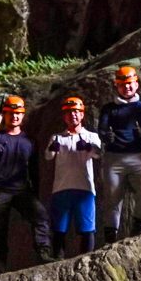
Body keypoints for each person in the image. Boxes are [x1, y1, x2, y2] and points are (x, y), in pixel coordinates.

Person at [0, 95, 46, 270]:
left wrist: (35, 192)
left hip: (22, 189)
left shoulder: (28, 141)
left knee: (41, 216)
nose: (14, 116)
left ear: (22, 116)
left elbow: (34, 169)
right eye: (10, 113)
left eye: (18, 114)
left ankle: (43, 252)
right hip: (0, 190)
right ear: (5, 115)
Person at [39, 94, 106, 257]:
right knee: (59, 229)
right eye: (69, 112)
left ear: (82, 114)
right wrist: (52, 148)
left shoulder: (91, 136)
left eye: (76, 111)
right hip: (61, 188)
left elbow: (98, 153)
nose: (73, 115)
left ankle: (86, 261)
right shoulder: (57, 137)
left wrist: (89, 147)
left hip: (85, 188)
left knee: (87, 228)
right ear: (64, 116)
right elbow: (48, 156)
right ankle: (57, 260)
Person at [98, 64, 141, 242]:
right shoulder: (109, 109)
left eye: (130, 83)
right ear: (117, 86)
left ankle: (138, 225)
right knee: (112, 198)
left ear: (136, 84)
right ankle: (110, 236)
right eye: (123, 84)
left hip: (137, 156)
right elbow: (101, 131)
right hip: (113, 158)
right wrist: (106, 137)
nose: (127, 87)